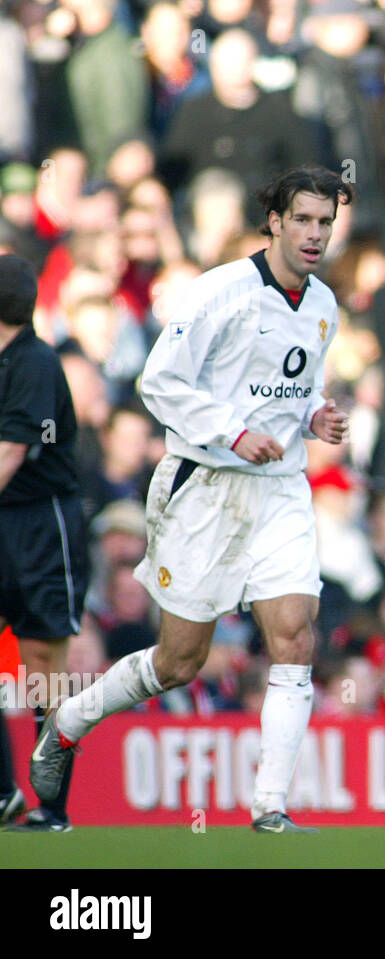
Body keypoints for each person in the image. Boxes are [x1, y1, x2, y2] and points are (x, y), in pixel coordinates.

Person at [30, 166, 353, 833]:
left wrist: (316, 417)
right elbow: (159, 381)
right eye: (304, 219)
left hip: (282, 489)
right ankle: (68, 722)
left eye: (326, 221)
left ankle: (270, 806)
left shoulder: (324, 304)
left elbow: (296, 388)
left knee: (295, 634)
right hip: (205, 487)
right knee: (180, 660)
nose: (316, 233)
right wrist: (232, 432)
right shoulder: (223, 290)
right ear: (275, 221)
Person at [0, 254, 91, 831]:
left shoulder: (33, 361)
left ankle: (50, 803)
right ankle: (3, 790)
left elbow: (10, 453)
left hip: (39, 522)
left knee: (43, 666)